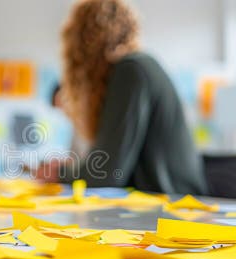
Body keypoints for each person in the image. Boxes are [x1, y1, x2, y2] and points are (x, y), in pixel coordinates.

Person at [35, 0, 207, 195]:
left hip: (172, 207)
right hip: (161, 202)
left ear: (82, 44)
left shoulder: (131, 70)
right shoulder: (137, 67)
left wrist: (61, 172)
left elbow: (107, 174)